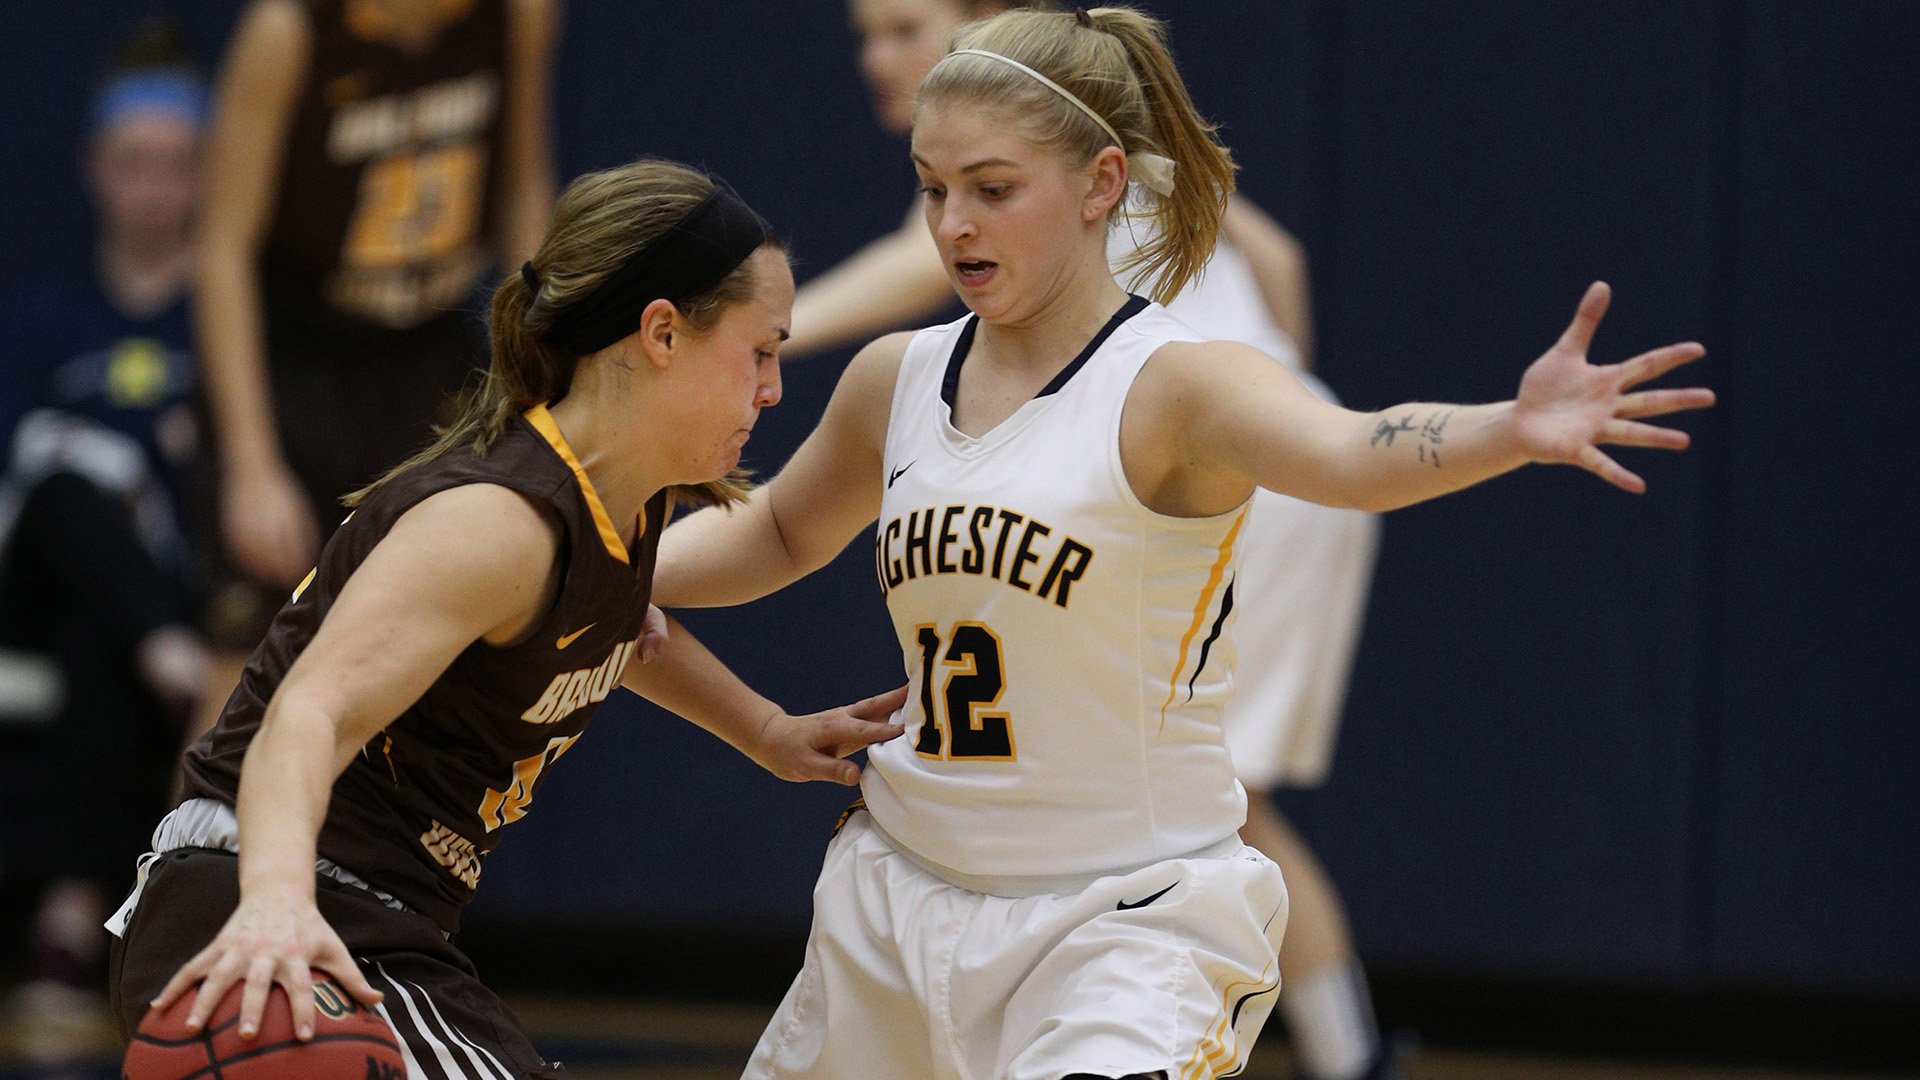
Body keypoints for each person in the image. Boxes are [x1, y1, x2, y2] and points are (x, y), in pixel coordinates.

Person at [650, 8, 1712, 1080]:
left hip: (1115, 921)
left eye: (993, 190)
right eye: (932, 190)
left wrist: (1508, 428)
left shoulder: (1178, 385)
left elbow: (1351, 453)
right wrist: (606, 560)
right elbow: (780, 529)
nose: (954, 225)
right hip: (898, 898)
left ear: (1102, 183)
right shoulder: (899, 376)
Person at [107, 160, 906, 1074]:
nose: (772, 388)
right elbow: (308, 711)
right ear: (661, 333)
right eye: (760, 350)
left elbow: (620, 632)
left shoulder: (621, 502)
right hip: (263, 892)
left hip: (386, 922)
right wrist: (276, 902)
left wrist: (764, 730)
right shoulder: (499, 522)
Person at [793, 2, 1388, 1075]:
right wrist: (1277, 374)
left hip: (1215, 466)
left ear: (981, 24)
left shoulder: (1040, 176)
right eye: (866, 35)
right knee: (1209, 799)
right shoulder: (1085, 156)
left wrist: (768, 329)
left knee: (1190, 804)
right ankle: (1344, 1051)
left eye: (905, 27)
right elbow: (1282, 262)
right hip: (1231, 455)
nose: (880, 57)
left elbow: (902, 271)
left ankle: (1318, 1050)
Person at [191, 0, 559, 737]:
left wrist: (539, 366)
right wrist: (252, 465)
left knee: (428, 675)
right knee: (245, 679)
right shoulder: (288, 30)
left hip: (430, 362)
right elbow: (222, 249)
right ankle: (197, 824)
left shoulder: (520, 14)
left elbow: (522, 184)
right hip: (298, 367)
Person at [0, 22, 212, 1059]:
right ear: (96, 168)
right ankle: (164, 652)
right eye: (134, 163)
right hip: (35, 580)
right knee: (65, 488)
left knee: (103, 636)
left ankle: (68, 921)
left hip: (167, 591)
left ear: (205, 174)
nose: (153, 188)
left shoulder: (219, 322)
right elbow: (21, 475)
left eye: (175, 165)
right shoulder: (42, 316)